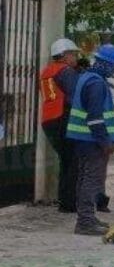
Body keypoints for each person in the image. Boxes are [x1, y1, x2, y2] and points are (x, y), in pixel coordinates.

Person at [65, 44, 114, 236]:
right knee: (91, 180)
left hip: (84, 140)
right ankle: (85, 222)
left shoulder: (87, 78)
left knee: (84, 179)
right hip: (92, 141)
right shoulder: (96, 83)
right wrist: (105, 142)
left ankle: (87, 217)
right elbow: (95, 117)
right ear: (105, 64)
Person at [39, 38, 83, 212]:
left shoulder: (47, 71)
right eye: (73, 54)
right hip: (63, 118)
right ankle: (69, 203)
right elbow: (75, 96)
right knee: (73, 162)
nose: (76, 57)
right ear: (65, 56)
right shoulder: (66, 71)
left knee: (66, 160)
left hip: (49, 121)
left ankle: (65, 201)